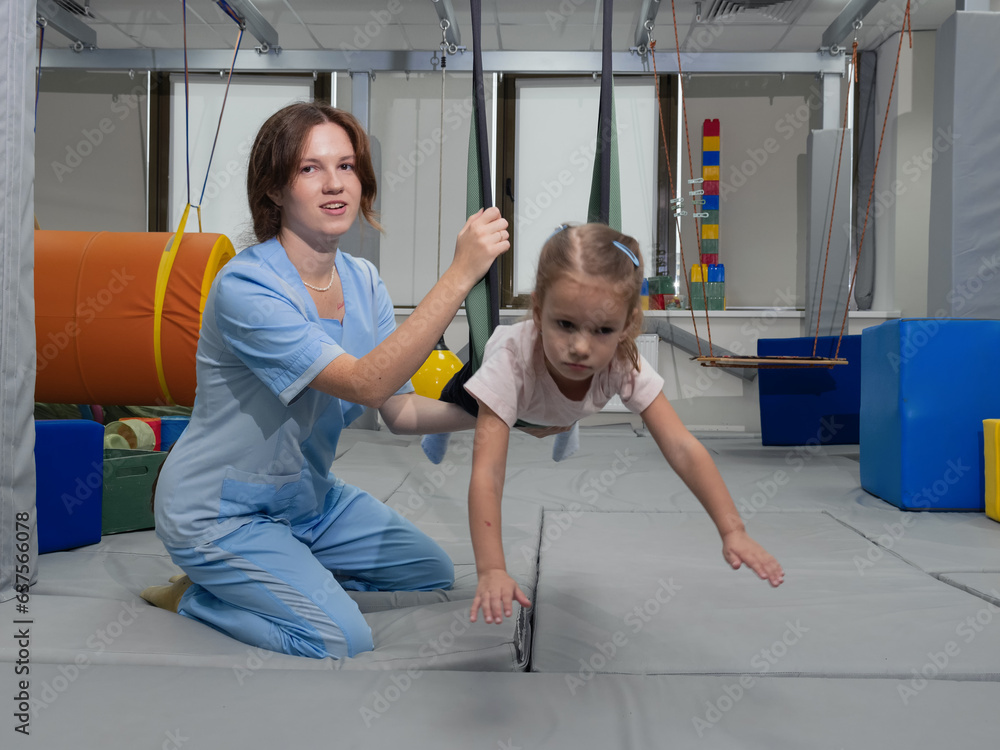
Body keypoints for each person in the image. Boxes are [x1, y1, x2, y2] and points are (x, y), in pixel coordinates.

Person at [140, 101, 508, 660]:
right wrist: (461, 273)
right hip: (218, 511)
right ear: (274, 190)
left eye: (347, 166)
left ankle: (285, 566)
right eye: (310, 169)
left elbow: (399, 410)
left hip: (309, 502)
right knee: (340, 637)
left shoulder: (363, 281)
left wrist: (500, 412)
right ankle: (198, 595)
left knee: (431, 572)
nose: (335, 184)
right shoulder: (246, 287)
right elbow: (366, 384)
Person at [423, 223, 786, 626]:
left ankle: (565, 424)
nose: (581, 346)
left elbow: (682, 446)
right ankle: (439, 435)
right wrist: (492, 569)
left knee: (565, 411)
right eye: (565, 325)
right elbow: (488, 473)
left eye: (602, 330)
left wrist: (732, 528)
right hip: (495, 387)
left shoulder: (621, 362)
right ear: (540, 311)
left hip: (556, 406)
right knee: (444, 409)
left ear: (628, 326)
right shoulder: (510, 362)